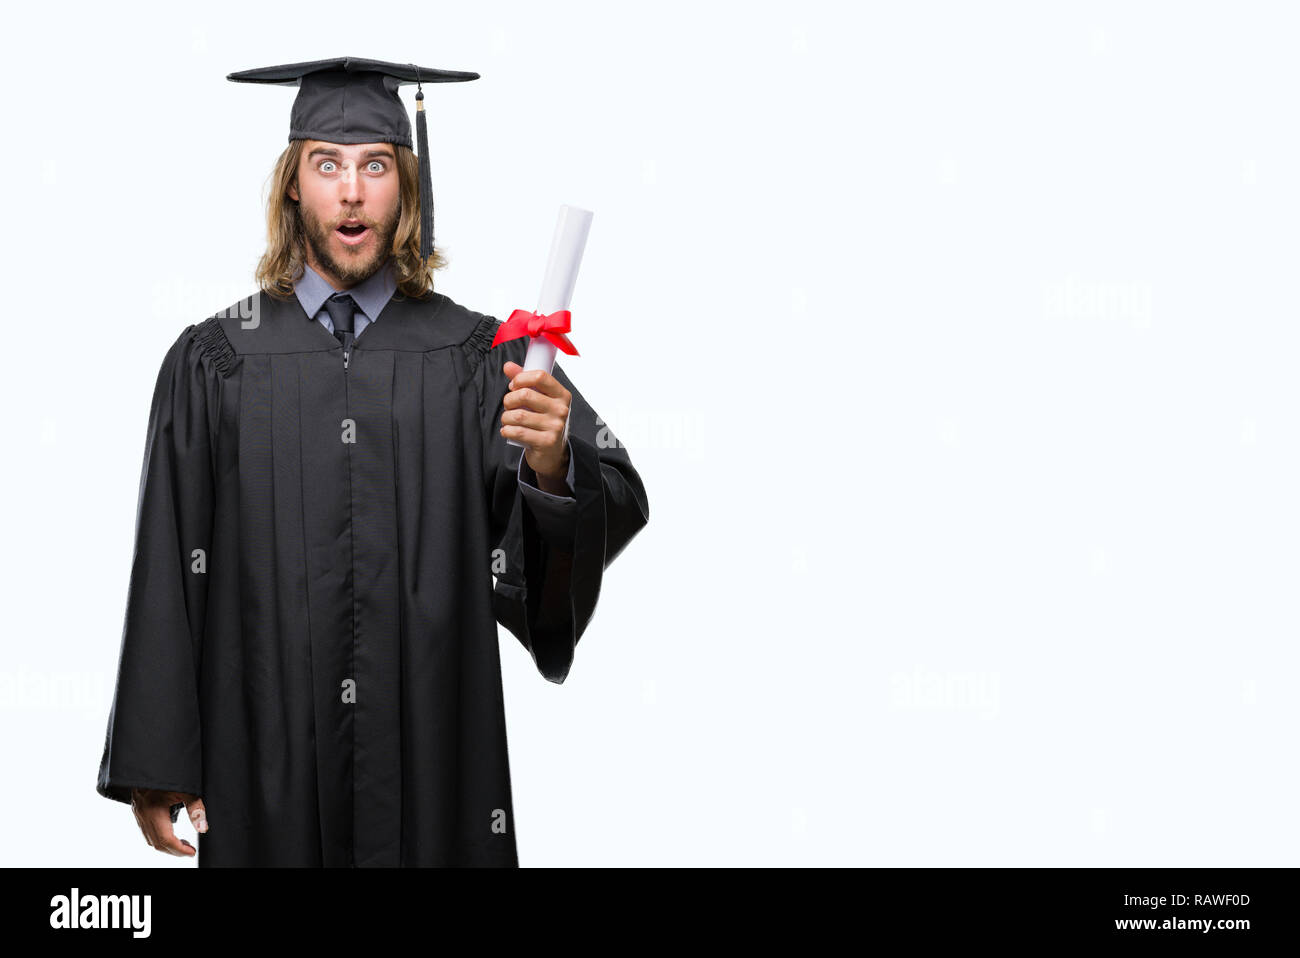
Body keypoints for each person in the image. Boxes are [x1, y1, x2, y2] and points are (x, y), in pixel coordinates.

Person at [96, 56, 649, 866]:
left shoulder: (480, 359)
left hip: (434, 767)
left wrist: (554, 465)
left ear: (406, 189)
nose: (351, 191)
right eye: (328, 165)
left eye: (375, 166)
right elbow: (168, 570)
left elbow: (615, 493)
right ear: (293, 186)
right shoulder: (216, 361)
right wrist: (155, 763)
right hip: (262, 765)